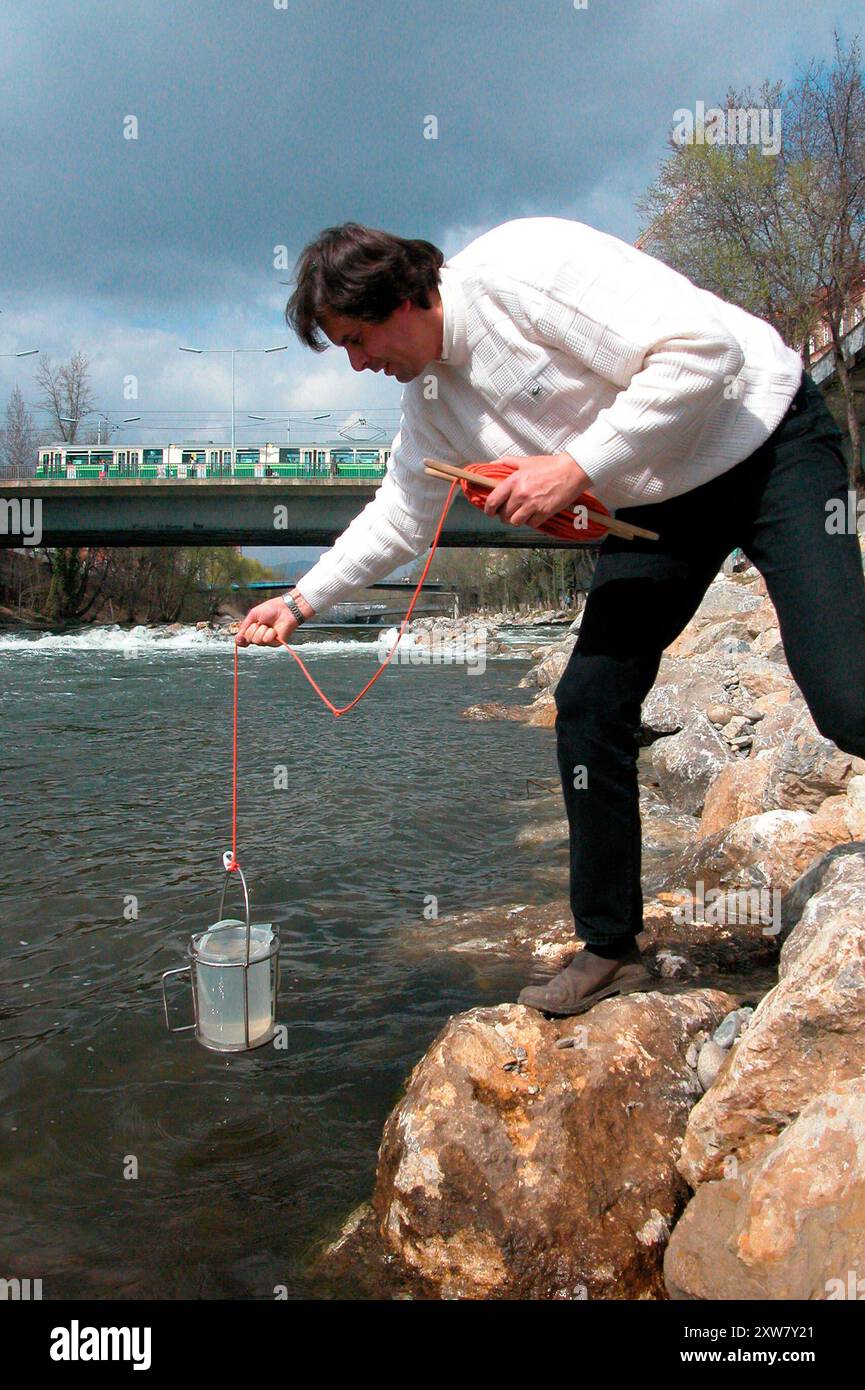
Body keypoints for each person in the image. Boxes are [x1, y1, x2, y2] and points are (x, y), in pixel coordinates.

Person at [236, 216, 865, 1016]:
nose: (359, 364)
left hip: (764, 439)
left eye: (357, 339)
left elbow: (707, 352)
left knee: (845, 694)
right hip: (654, 502)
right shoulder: (429, 400)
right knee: (588, 706)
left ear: (407, 297)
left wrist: (574, 466)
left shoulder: (523, 267)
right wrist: (299, 600)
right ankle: (610, 945)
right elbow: (399, 515)